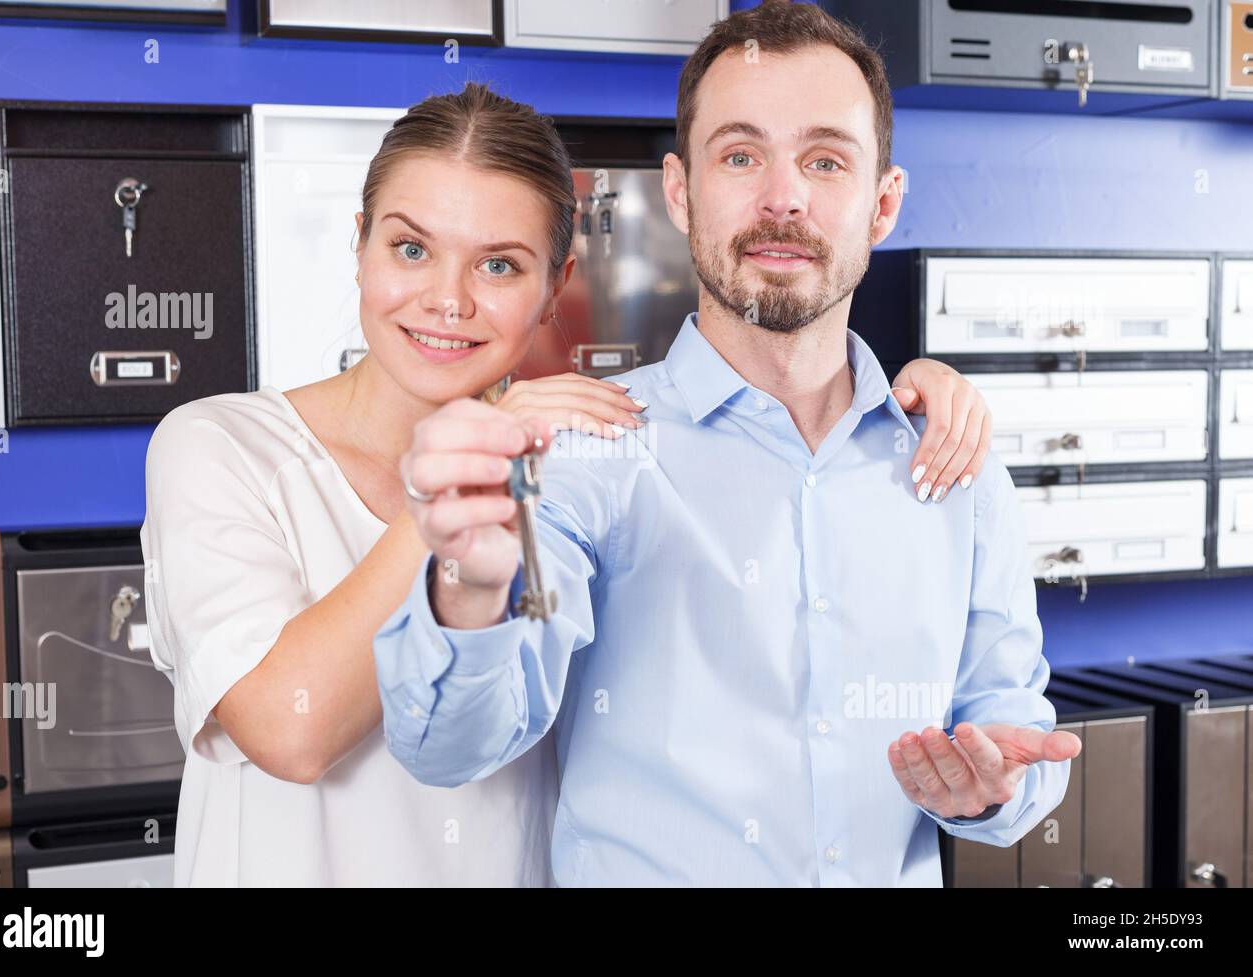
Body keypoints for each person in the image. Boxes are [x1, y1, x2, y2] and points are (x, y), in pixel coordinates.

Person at [142, 80, 990, 886]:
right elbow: (289, 730)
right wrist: (471, 468)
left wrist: (885, 397)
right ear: (360, 245)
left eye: (500, 266)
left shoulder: (578, 462)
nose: (447, 300)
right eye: (410, 247)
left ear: (555, 290)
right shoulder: (222, 447)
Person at [374, 1, 1080, 887]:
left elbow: (1018, 728)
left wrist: (995, 786)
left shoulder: (956, 468)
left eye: (825, 160)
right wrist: (469, 592)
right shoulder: (582, 451)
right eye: (741, 156)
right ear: (680, 191)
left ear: (883, 203)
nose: (783, 197)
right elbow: (450, 746)